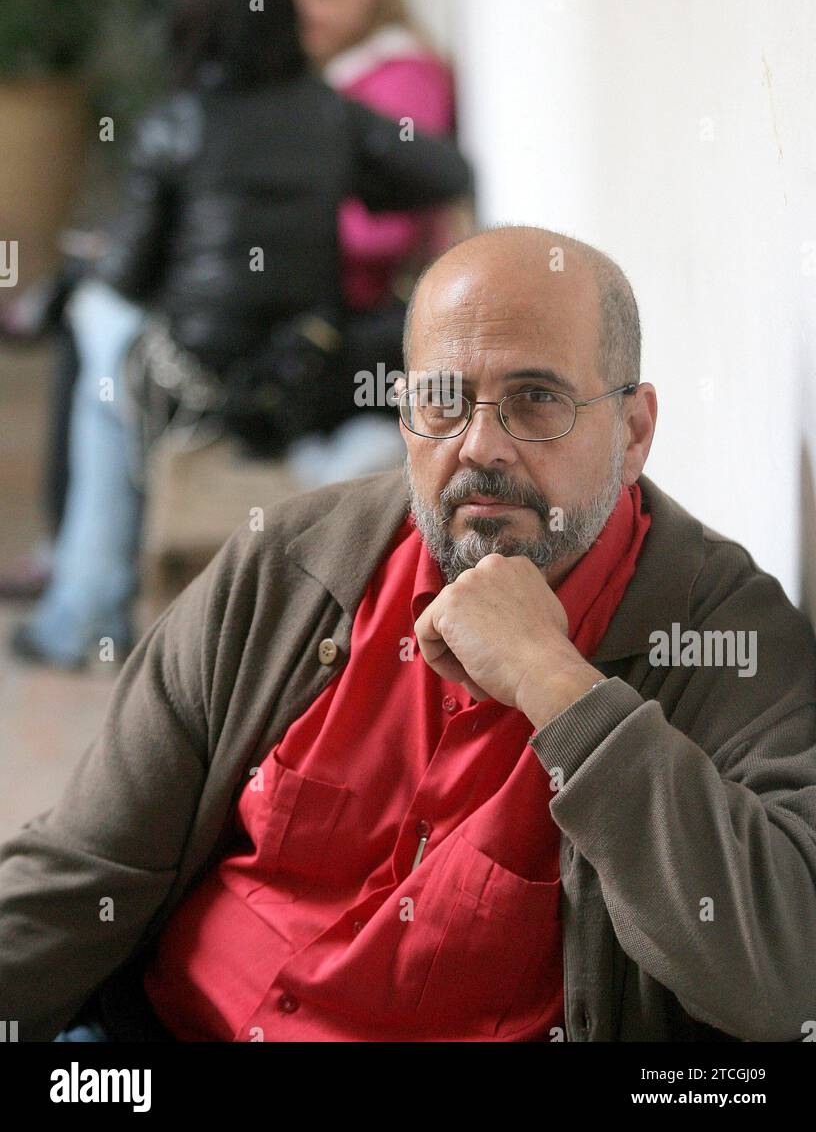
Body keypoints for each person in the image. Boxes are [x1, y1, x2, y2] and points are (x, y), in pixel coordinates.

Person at [2, 224, 814, 1043]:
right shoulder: (289, 565)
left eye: (536, 399)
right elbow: (84, 872)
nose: (480, 446)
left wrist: (556, 682)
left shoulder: (720, 635)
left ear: (634, 432)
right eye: (443, 400)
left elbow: (782, 978)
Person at [8, 0, 471, 669]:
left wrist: (92, 265)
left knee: (96, 324)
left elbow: (130, 275)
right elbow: (447, 169)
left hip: (193, 387)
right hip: (304, 375)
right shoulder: (329, 115)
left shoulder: (176, 124)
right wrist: (357, 185)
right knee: (98, 338)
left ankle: (82, 615)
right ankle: (80, 604)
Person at [280, 0, 468, 485]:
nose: (308, 10)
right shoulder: (339, 74)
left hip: (367, 314)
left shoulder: (402, 75)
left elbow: (388, 230)